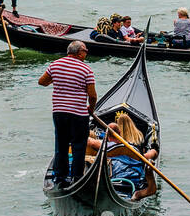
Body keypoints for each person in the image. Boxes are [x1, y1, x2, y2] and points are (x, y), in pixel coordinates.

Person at [38, 40, 96, 188]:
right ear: (79, 52)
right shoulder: (86, 70)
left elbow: (42, 82)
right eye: (85, 51)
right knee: (78, 145)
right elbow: (92, 95)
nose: (86, 53)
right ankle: (77, 177)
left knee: (61, 144)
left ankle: (60, 177)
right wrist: (91, 108)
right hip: (78, 113)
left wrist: (58, 81)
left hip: (59, 112)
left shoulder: (55, 65)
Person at [86, 111, 158, 201]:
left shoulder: (104, 145)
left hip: (113, 174)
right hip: (132, 174)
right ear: (119, 133)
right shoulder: (135, 148)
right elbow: (152, 153)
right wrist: (154, 149)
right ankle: (138, 192)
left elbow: (89, 141)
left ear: (107, 136)